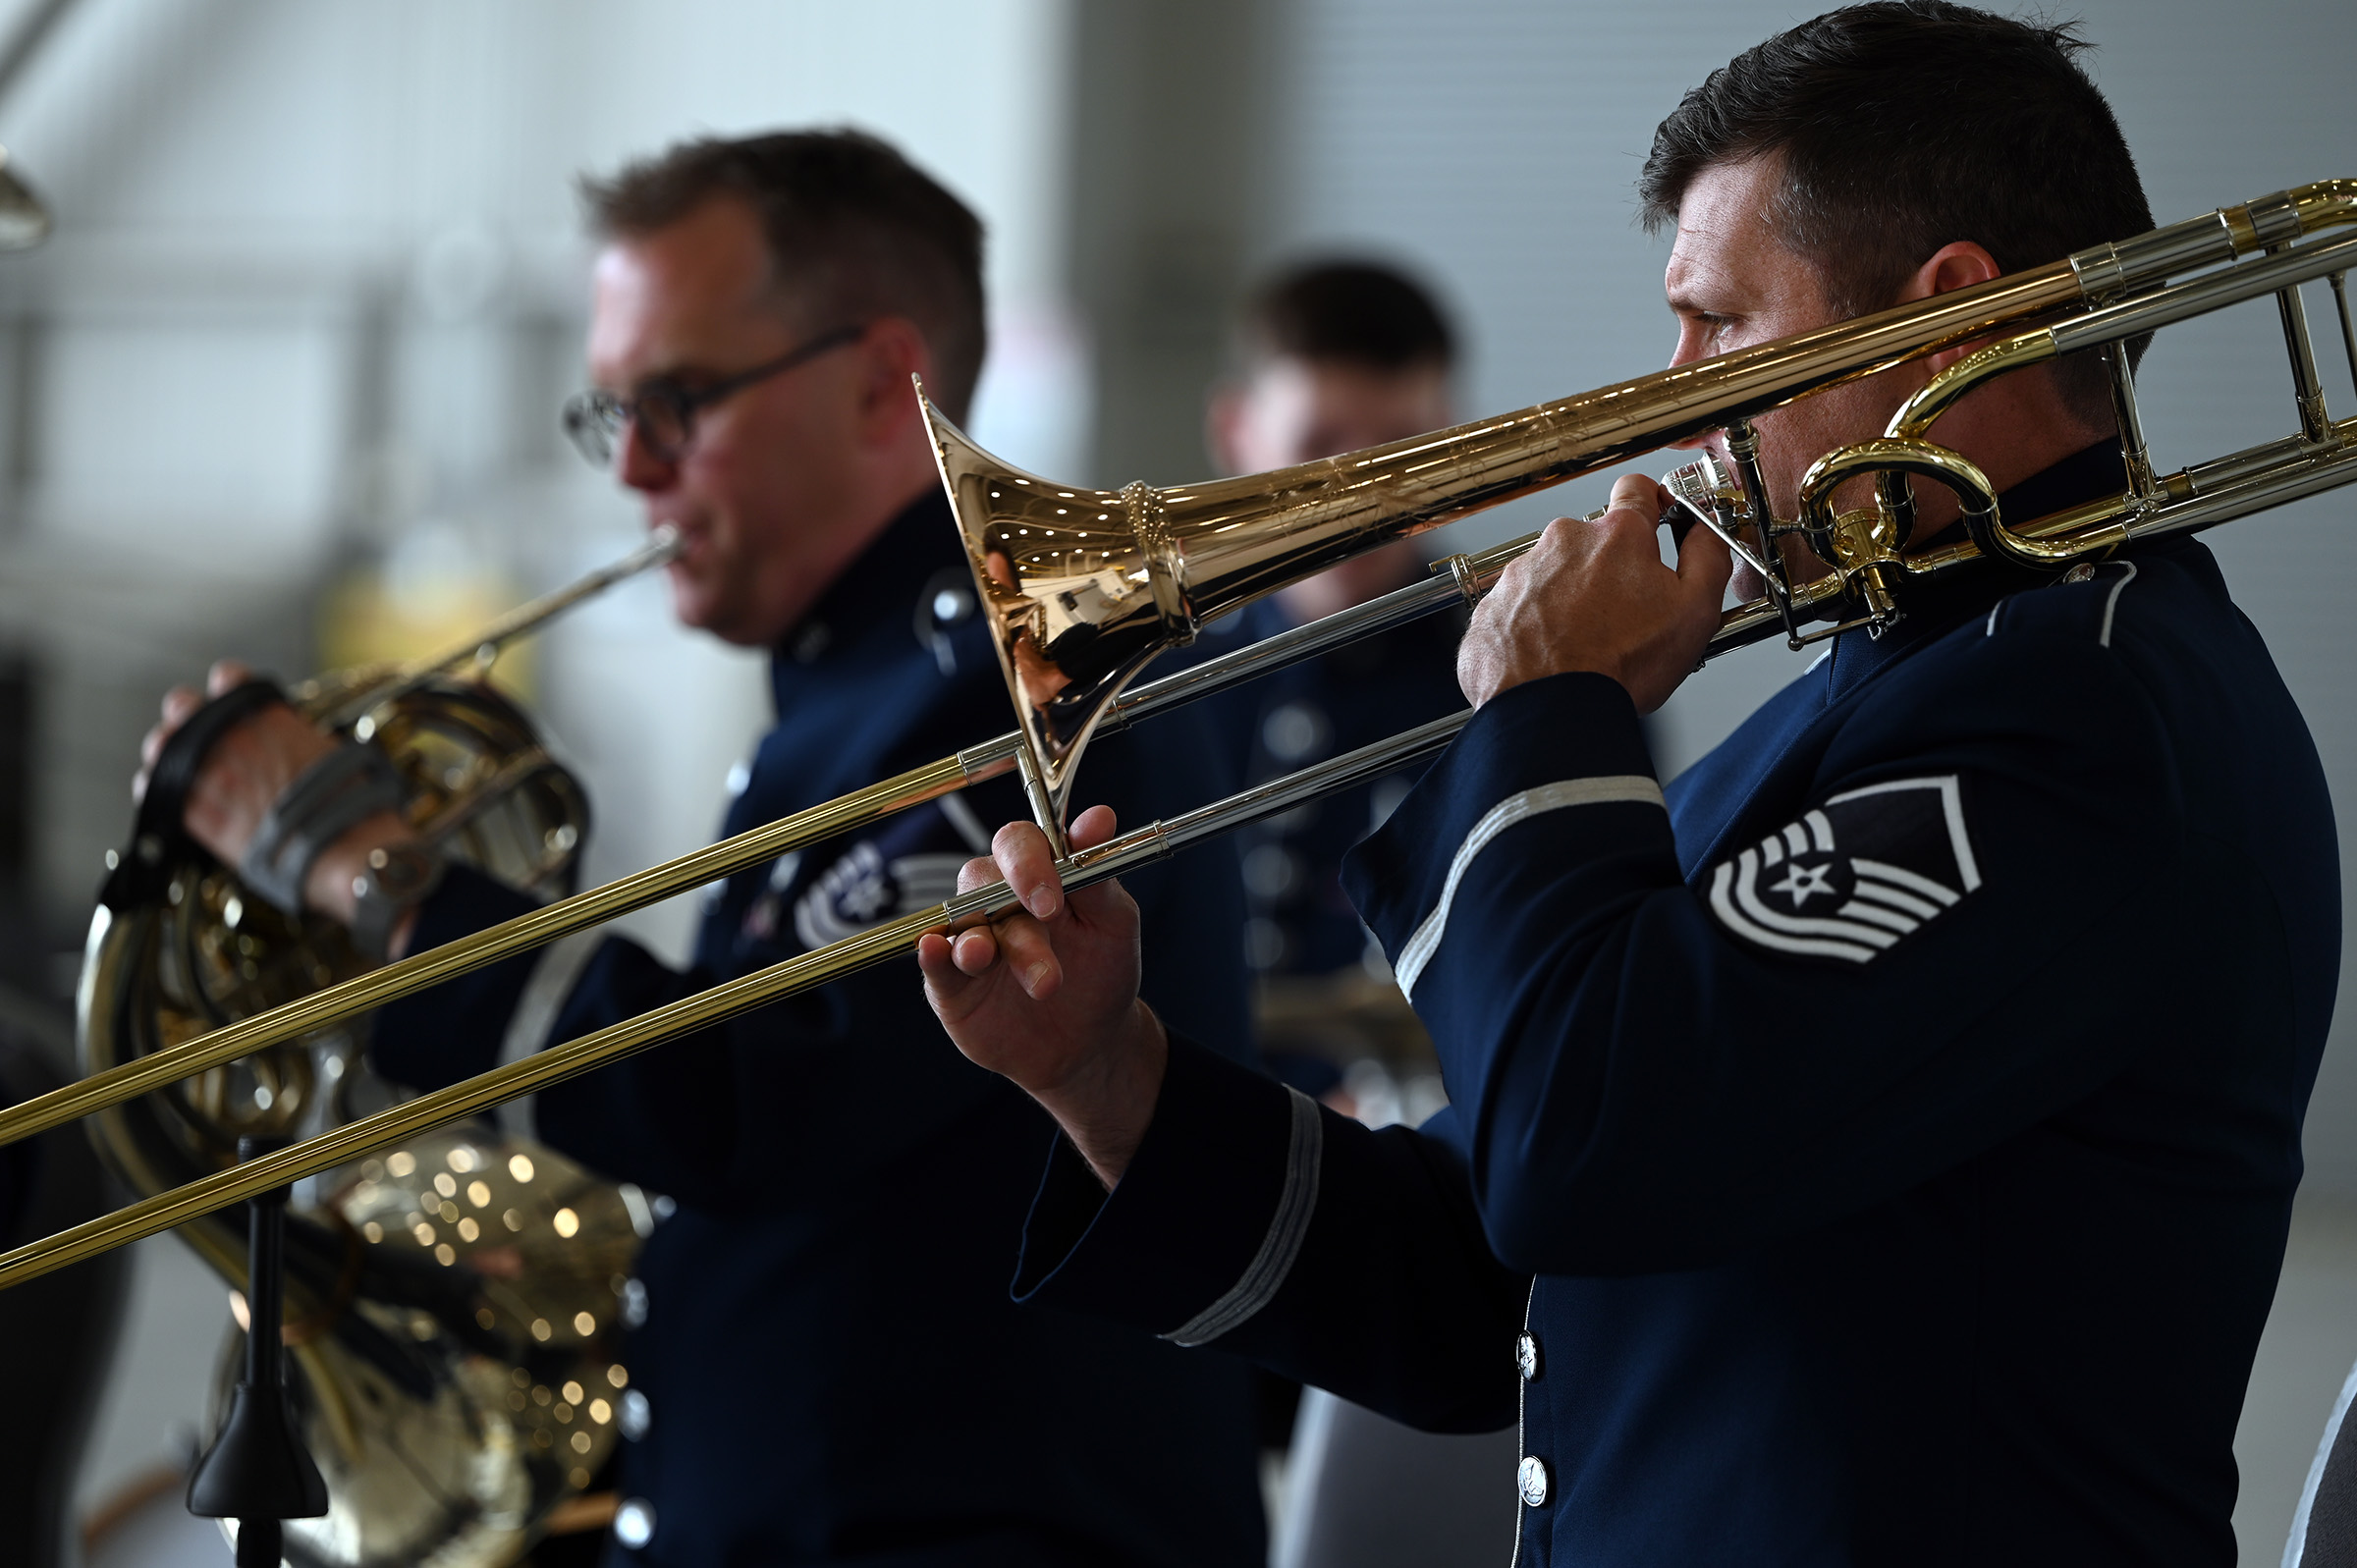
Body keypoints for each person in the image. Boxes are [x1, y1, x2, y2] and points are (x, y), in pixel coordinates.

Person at [915, 7, 2340, 1566]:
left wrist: (1550, 708)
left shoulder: (2083, 716)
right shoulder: (1916, 681)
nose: (1672, 398)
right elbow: (1483, 1276)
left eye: (1718, 322)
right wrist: (1109, 1076)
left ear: (1948, 327)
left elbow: (1579, 1159)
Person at [137, 131, 1266, 1567]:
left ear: (881, 381)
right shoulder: (852, 689)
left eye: (674, 401)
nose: (638, 473)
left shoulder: (1018, 686)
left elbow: (757, 1095)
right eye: (615, 412)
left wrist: (361, 864)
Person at [1206, 260, 1469, 987]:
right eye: (1315, 444)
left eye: (1404, 448)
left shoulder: (1526, 665)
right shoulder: (1161, 669)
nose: (1363, 500)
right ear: (1235, 435)